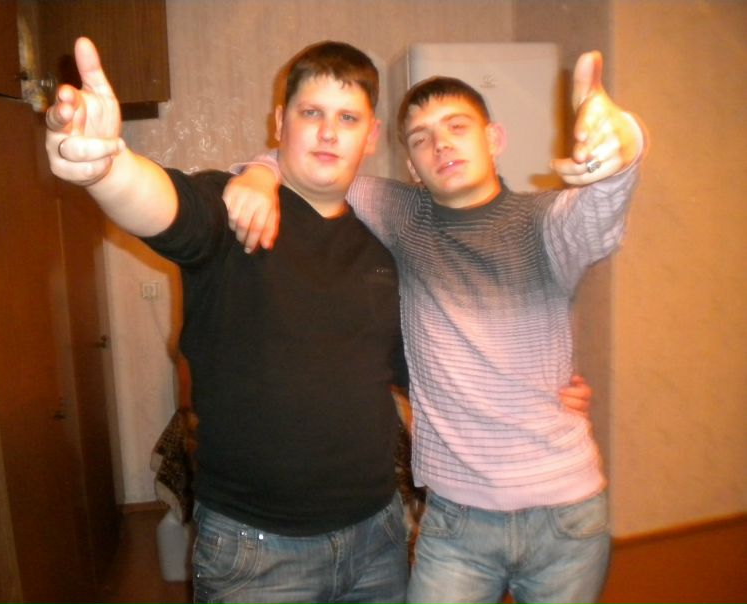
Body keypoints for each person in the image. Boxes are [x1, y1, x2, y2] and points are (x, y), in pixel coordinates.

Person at [224, 50, 645, 604]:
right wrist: (258, 172)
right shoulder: (402, 215)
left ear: (493, 138)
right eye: (421, 138)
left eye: (457, 127)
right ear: (411, 166)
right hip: (454, 522)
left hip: (563, 515)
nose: (441, 144)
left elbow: (601, 207)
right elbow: (312, 164)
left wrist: (625, 144)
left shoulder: (546, 224)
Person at [46, 36, 411, 604]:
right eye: (311, 113)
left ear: (371, 134)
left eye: (347, 118)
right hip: (257, 553)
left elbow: (417, 368)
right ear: (279, 121)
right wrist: (108, 170)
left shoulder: (386, 240)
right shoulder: (235, 207)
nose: (328, 132)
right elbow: (165, 205)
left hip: (378, 537)